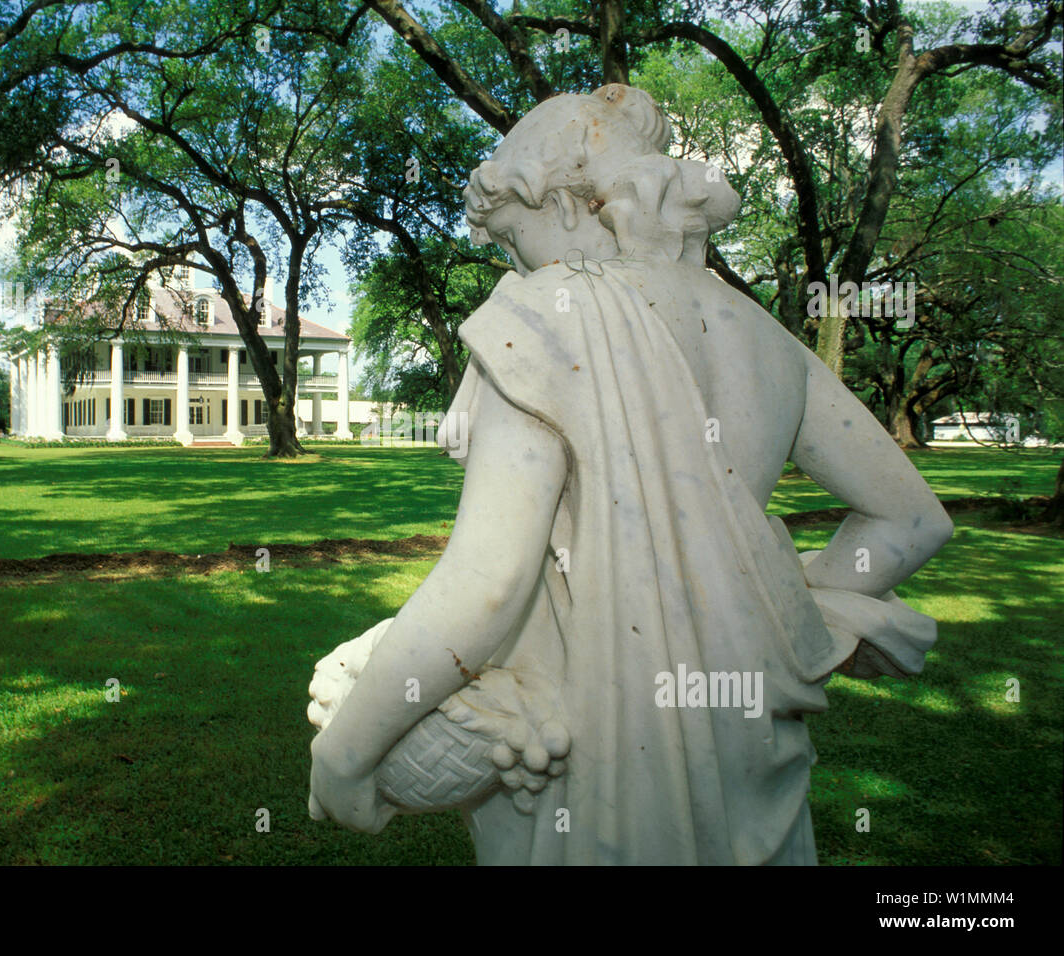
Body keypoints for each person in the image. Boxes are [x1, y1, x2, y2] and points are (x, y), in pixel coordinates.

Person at [309, 85, 952, 864]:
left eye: (513, 236)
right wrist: (765, 604)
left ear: (570, 204)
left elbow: (487, 581)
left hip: (587, 759)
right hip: (749, 759)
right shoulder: (765, 337)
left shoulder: (546, 317)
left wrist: (346, 755)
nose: (511, 266)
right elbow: (912, 522)